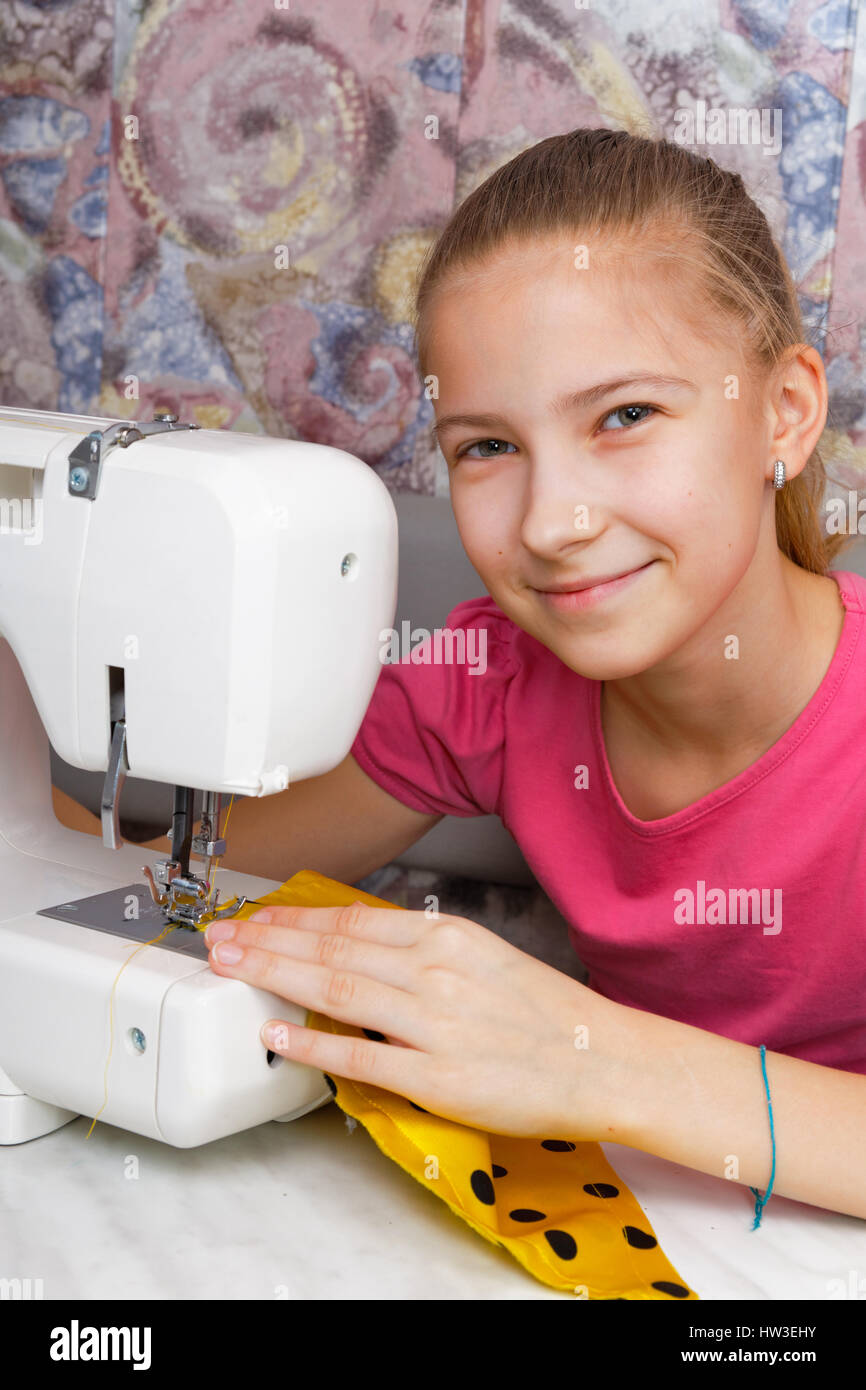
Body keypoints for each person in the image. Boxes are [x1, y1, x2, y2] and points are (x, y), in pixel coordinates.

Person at [54, 129, 866, 1220]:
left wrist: (590, 1060)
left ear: (786, 413)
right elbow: (176, 883)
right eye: (486, 447)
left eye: (625, 416)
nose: (550, 523)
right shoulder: (490, 679)